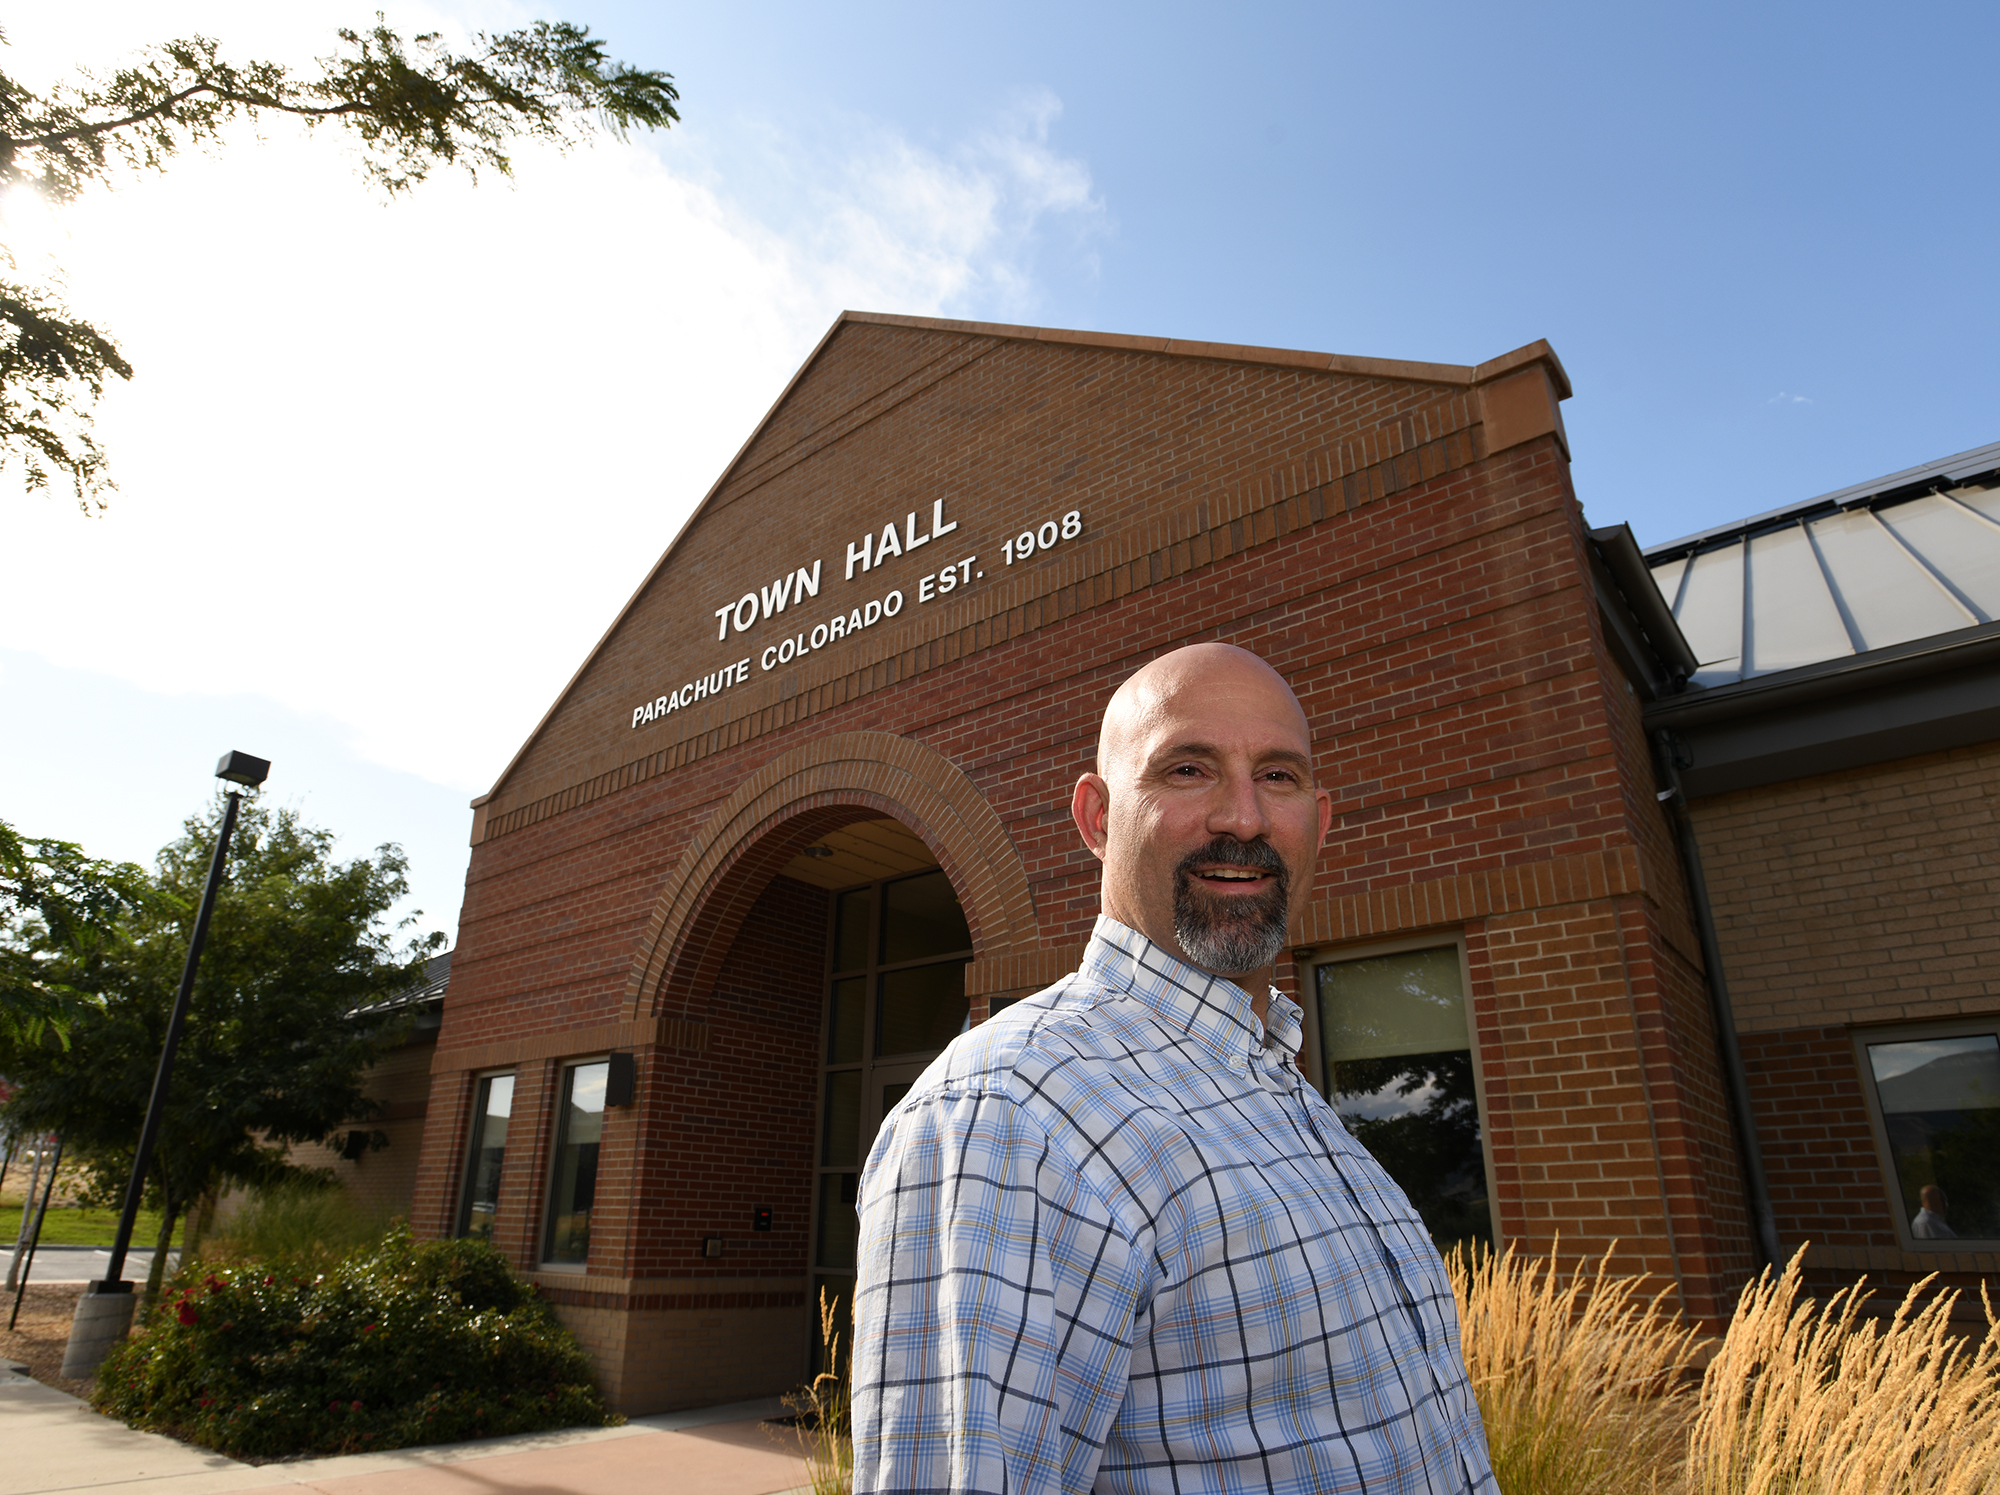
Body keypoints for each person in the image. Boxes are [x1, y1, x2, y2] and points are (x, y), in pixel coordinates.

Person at [851, 642, 1496, 1494]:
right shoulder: (1009, 1115)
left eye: (1278, 776)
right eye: (1188, 768)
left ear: (1321, 821)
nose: (1244, 816)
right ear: (1095, 817)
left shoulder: (1280, 1086)